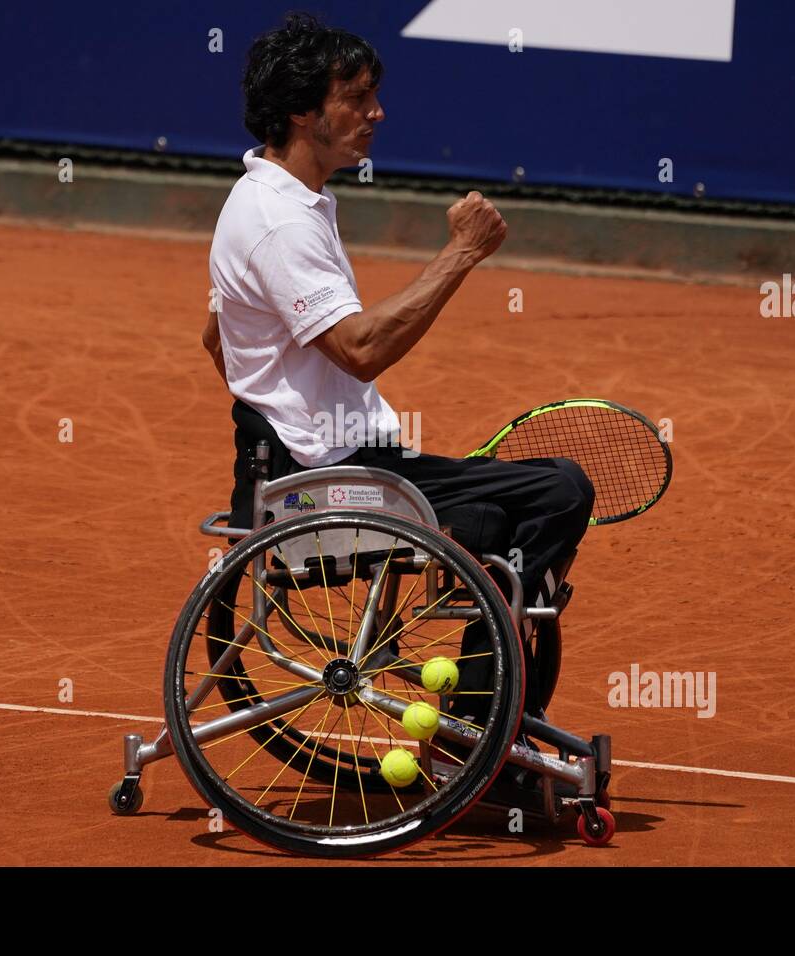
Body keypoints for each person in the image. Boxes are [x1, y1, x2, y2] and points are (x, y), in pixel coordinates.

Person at [204, 13, 594, 727]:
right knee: (556, 493)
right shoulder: (280, 220)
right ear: (301, 110)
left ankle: (482, 698)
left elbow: (215, 336)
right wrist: (462, 254)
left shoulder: (276, 201)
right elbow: (360, 349)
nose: (376, 113)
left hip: (321, 465)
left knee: (535, 497)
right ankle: (482, 721)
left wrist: (277, 403)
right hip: (328, 487)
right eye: (356, 97)